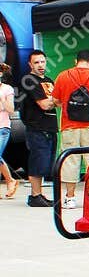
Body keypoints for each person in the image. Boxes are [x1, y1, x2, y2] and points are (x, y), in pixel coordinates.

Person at [52, 49, 89, 210]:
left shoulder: (63, 76)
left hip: (69, 126)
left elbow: (56, 100)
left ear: (75, 61)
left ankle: (70, 198)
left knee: (70, 161)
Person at [18, 51, 57, 208]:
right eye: (36, 62)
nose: (40, 65)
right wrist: (56, 99)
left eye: (42, 62)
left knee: (46, 163)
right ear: (30, 64)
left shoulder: (48, 81)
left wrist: (55, 100)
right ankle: (35, 195)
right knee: (38, 161)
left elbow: (56, 102)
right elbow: (44, 104)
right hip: (36, 127)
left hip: (50, 126)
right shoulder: (29, 80)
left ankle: (39, 194)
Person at [0, 62, 17, 198]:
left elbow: (11, 109)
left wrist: (1, 98)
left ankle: (10, 180)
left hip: (3, 127)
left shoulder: (7, 89)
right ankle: (10, 180)